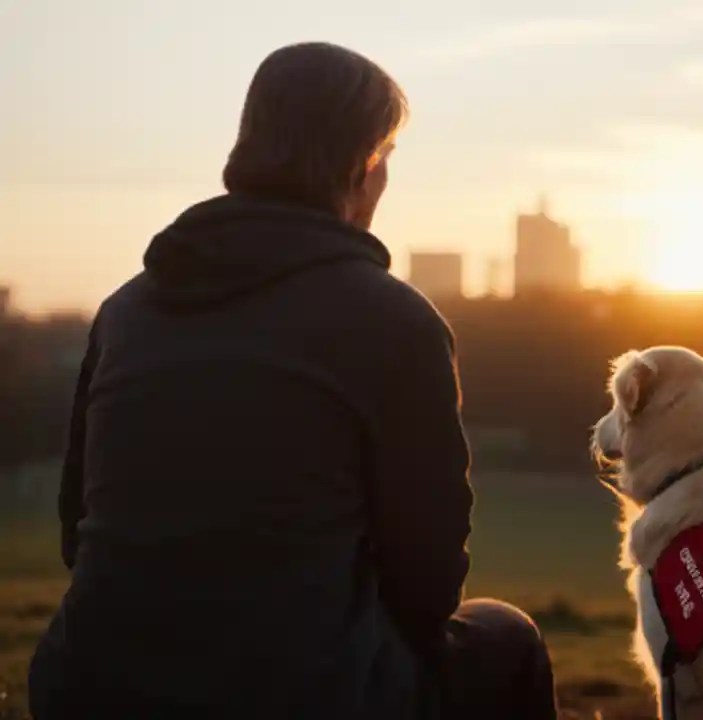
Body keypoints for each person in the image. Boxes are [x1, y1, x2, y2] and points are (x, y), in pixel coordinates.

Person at [28, 42, 558, 720]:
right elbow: (428, 586)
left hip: (89, 688)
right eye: (389, 157)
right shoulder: (395, 322)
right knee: (506, 638)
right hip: (303, 697)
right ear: (365, 165)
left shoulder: (126, 309)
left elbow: (77, 533)